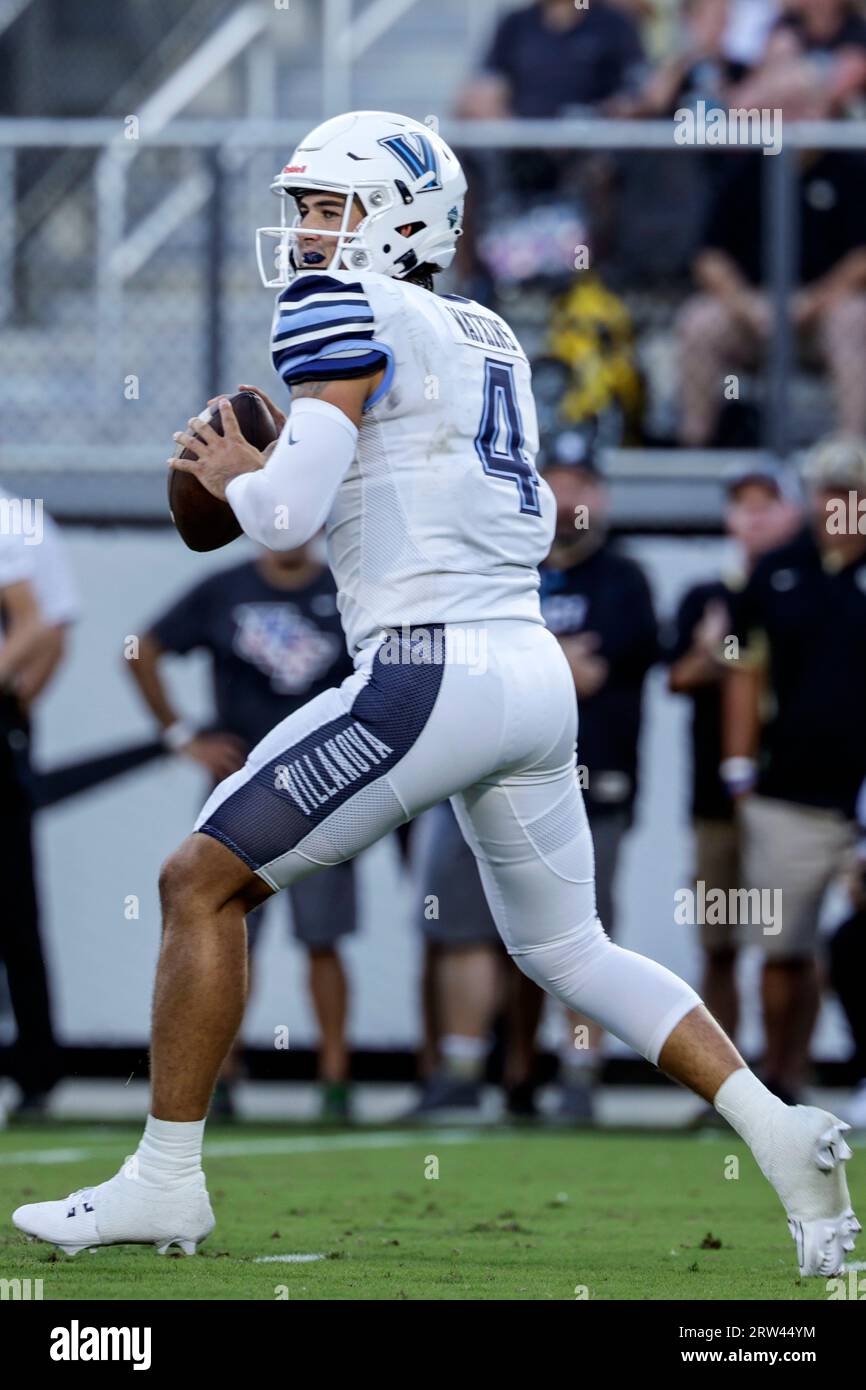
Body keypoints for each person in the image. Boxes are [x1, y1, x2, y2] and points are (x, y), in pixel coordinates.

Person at [13, 111, 859, 1279]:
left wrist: (236, 472)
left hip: (429, 668)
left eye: (331, 208)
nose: (308, 233)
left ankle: (164, 1178)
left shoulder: (338, 307)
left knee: (195, 883)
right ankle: (778, 1133)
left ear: (401, 219)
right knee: (572, 950)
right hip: (529, 673)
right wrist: (269, 471)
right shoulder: (486, 331)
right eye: (303, 209)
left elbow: (285, 520)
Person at [127, 542, 357, 1121]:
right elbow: (140, 649)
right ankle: (218, 1078)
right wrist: (182, 736)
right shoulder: (224, 588)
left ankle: (335, 1079)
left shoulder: (347, 588)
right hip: (242, 792)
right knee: (226, 932)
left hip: (325, 788)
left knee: (323, 938)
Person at [508, 432, 659, 1122]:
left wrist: (536, 660)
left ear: (602, 497)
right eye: (557, 480)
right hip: (508, 779)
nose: (568, 495)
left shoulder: (624, 579)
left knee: (582, 931)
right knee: (508, 933)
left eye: (581, 483)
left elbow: (595, 675)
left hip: (596, 781)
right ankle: (511, 1072)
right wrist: (556, 660)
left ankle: (579, 1071)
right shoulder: (507, 567)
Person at [724, 436, 866, 1103]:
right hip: (791, 790)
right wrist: (738, 767)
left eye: (852, 492)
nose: (839, 505)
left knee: (853, 945)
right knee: (781, 945)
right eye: (828, 492)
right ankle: (780, 1079)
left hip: (861, 793)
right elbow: (742, 669)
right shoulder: (778, 569)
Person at [667, 464, 802, 1050]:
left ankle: (787, 1074)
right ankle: (726, 1080)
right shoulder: (708, 595)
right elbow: (677, 677)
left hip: (795, 794)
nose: (755, 517)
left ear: (792, 513)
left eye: (767, 504)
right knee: (718, 944)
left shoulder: (809, 589)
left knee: (790, 944)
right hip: (717, 799)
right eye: (744, 506)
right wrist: (713, 653)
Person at [677, 144, 866, 446]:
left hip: (825, 313)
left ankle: (851, 454)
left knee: (854, 318)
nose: (795, 124)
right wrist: (746, 304)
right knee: (700, 321)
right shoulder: (744, 170)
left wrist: (814, 302)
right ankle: (695, 446)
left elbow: (861, 258)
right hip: (753, 314)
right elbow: (708, 258)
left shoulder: (852, 168)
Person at [0, 488, 79, 1117]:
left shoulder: (12, 519)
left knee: (13, 905)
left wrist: (16, 710)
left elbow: (42, 625)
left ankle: (36, 1071)